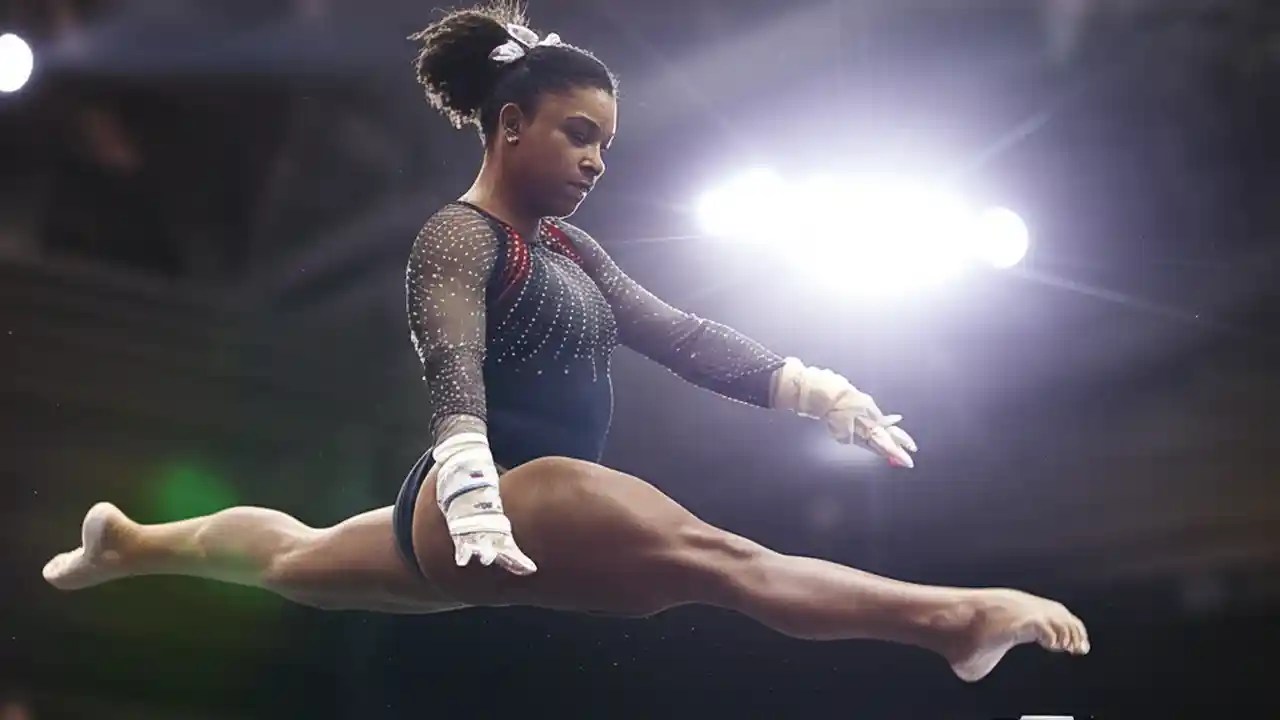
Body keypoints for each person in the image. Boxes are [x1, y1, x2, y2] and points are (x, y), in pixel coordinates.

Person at [42, 1, 1088, 682]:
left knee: (296, 556)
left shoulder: (573, 253)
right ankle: (954, 619)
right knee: (728, 561)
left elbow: (678, 336)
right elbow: (449, 356)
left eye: (607, 144)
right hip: (500, 492)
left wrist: (817, 393)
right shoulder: (461, 236)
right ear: (508, 126)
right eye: (577, 134)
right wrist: (471, 487)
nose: (595, 161)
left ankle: (130, 546)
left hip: (486, 518)